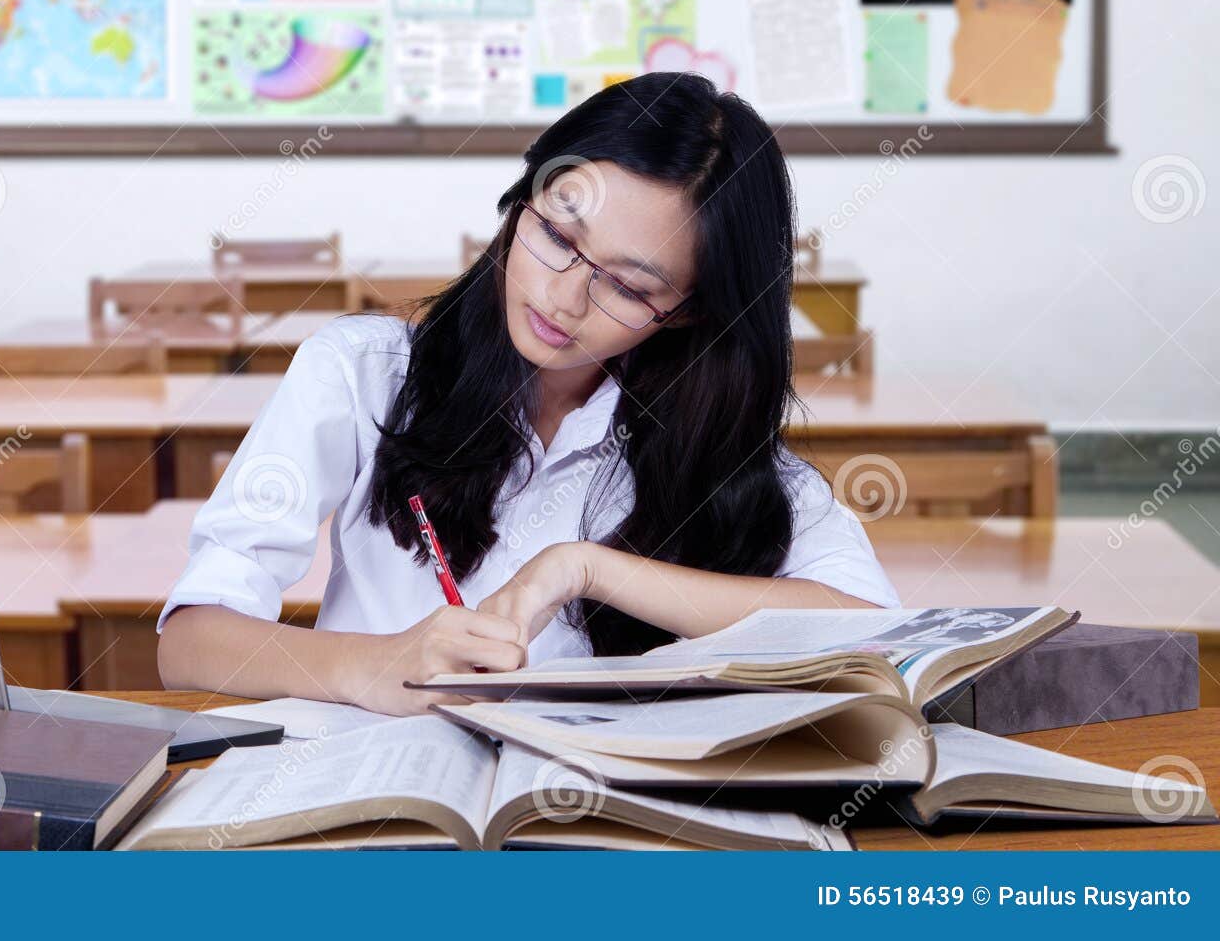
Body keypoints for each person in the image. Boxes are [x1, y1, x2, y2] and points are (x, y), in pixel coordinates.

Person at [157, 72, 899, 715]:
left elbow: (870, 633)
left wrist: (588, 568)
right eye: (557, 236)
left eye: (627, 286)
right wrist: (371, 665)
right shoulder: (362, 373)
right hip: (376, 798)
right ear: (522, 199)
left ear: (689, 312)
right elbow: (188, 642)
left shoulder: (714, 446)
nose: (564, 298)